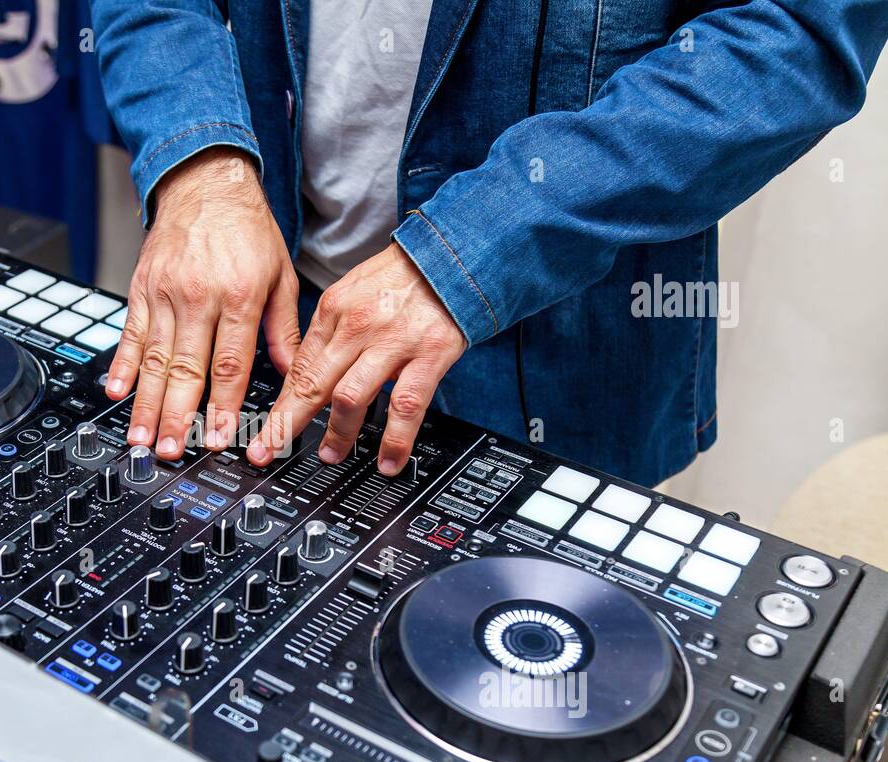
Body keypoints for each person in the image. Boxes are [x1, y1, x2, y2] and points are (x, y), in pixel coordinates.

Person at [89, 1, 887, 486]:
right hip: (272, 330)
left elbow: (797, 33)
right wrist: (201, 164)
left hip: (559, 370)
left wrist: (473, 248)